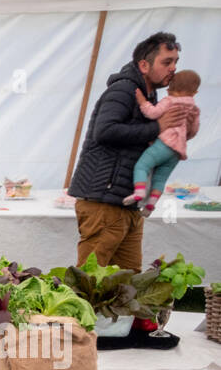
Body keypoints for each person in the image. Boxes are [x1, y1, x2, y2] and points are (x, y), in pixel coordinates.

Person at [69, 31, 189, 271]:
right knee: (88, 282)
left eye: (176, 62)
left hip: (124, 205)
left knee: (127, 281)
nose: (173, 68)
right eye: (167, 62)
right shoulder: (123, 90)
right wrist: (157, 127)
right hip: (104, 201)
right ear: (144, 65)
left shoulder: (150, 97)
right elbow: (104, 131)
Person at [125, 69, 201, 216]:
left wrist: (142, 101)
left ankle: (139, 193)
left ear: (170, 88)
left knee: (142, 166)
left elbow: (152, 113)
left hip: (164, 144)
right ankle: (150, 206)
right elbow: (193, 130)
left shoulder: (170, 101)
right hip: (178, 151)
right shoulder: (194, 108)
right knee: (160, 178)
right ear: (195, 93)